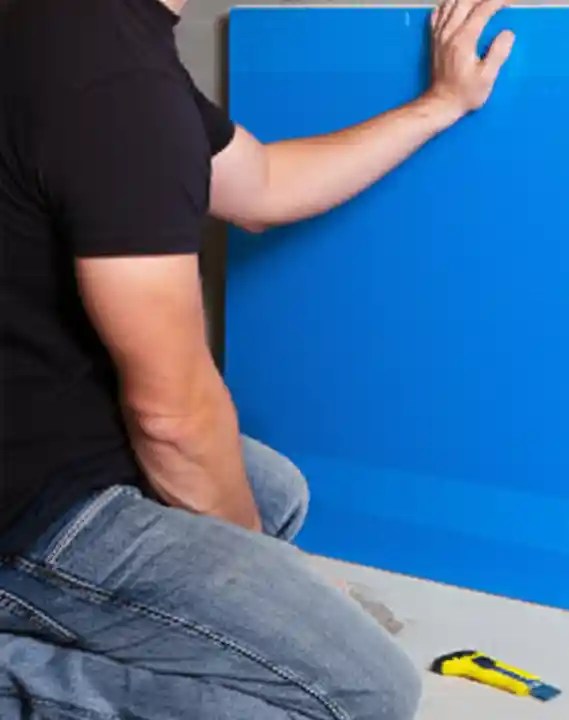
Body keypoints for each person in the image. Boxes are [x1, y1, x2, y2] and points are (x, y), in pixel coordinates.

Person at [0, 0, 515, 716]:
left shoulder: (78, 29)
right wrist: (269, 573)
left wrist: (438, 105)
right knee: (360, 694)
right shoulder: (113, 84)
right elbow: (171, 417)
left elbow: (263, 186)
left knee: (274, 492)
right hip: (27, 505)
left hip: (38, 422)